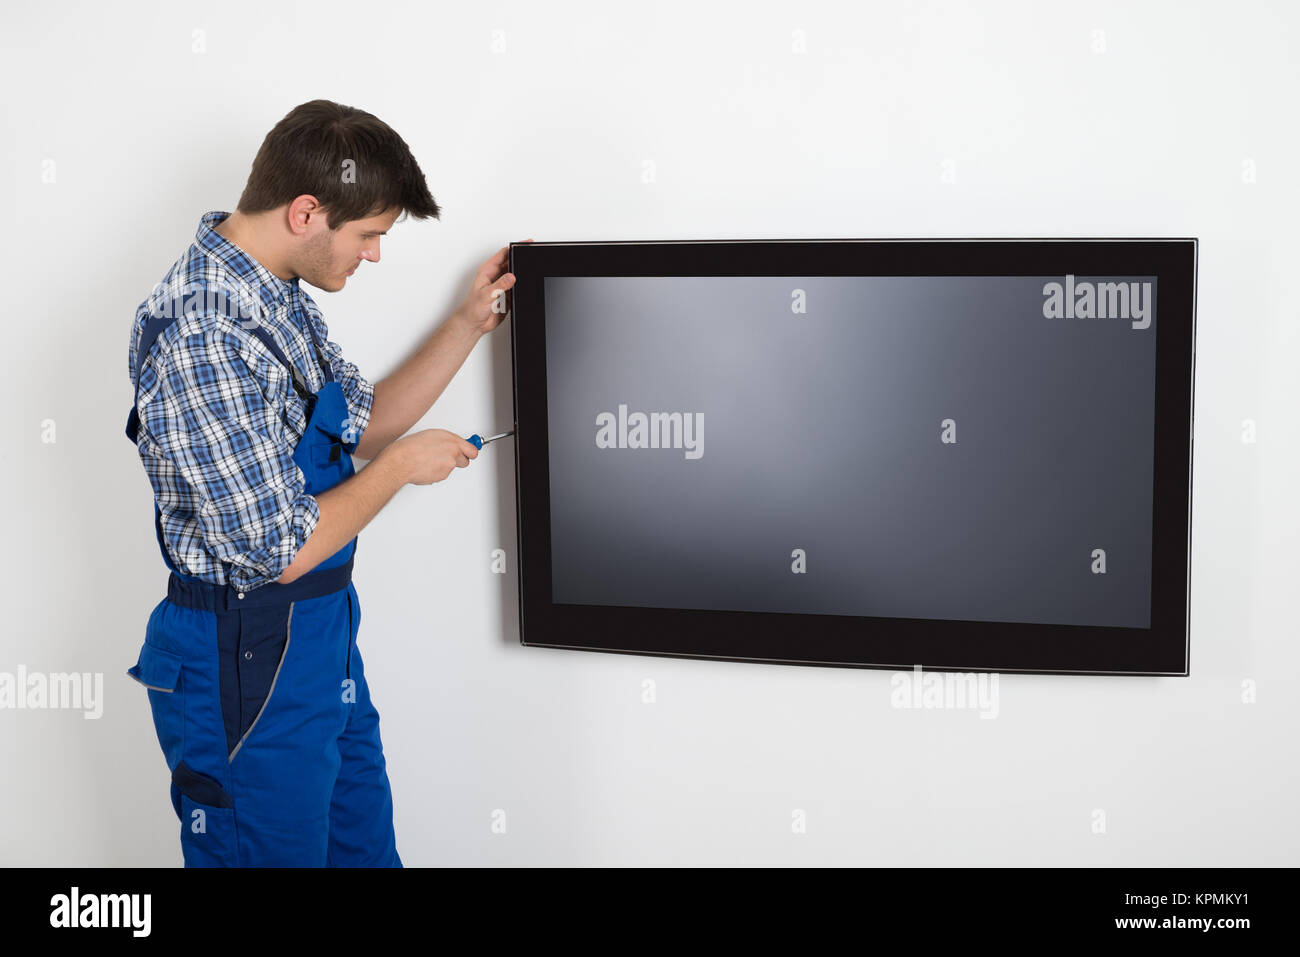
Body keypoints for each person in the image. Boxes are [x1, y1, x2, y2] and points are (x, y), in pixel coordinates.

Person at [123, 98, 524, 866]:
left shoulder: (272, 295)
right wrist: (402, 468)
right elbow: (278, 548)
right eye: (369, 233)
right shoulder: (203, 336)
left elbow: (364, 420)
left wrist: (470, 322)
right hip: (241, 660)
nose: (374, 254)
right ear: (307, 211)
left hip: (320, 647)